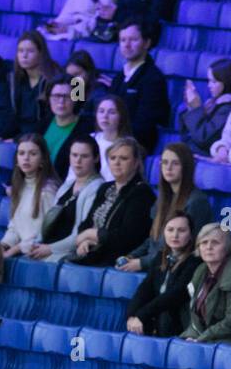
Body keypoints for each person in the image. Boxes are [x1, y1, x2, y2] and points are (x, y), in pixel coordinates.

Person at [118, 142, 213, 271]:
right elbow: (152, 240)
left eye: (175, 163)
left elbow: (186, 249)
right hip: (156, 265)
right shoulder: (162, 199)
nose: (168, 168)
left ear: (186, 167)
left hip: (175, 270)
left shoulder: (197, 201)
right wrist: (132, 256)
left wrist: (142, 263)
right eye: (164, 162)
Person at [70, 137, 154, 268]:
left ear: (136, 162)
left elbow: (127, 237)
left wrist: (90, 234)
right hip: (93, 253)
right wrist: (84, 241)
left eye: (124, 158)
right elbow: (85, 224)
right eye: (113, 158)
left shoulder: (142, 193)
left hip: (117, 259)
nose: (117, 163)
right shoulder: (105, 188)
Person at [124, 213, 201, 337]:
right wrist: (131, 315)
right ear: (164, 233)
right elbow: (145, 289)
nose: (175, 235)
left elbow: (177, 294)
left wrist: (142, 315)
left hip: (181, 328)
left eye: (181, 230)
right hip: (159, 322)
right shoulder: (160, 257)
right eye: (170, 230)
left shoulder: (195, 261)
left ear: (191, 234)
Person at [32, 135, 102, 263]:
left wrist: (50, 248)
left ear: (96, 158)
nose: (78, 161)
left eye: (84, 156)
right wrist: (37, 244)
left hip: (66, 253)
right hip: (48, 247)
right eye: (74, 155)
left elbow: (81, 233)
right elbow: (49, 222)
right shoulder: (67, 184)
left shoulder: (97, 187)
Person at [105, 18, 169, 154]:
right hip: (111, 141)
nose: (127, 45)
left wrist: (114, 137)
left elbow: (144, 125)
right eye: (122, 40)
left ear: (147, 43)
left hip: (133, 147)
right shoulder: (119, 77)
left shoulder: (154, 79)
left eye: (133, 40)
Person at [1, 135, 58, 259]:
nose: (26, 158)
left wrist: (14, 250)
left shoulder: (48, 191)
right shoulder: (19, 187)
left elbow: (45, 234)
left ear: (43, 159)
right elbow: (14, 228)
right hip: (24, 254)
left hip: (41, 258)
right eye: (21, 153)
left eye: (33, 154)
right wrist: (3, 245)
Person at [177, 59, 231, 155]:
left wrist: (195, 108)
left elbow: (203, 138)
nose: (209, 85)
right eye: (209, 81)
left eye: (214, 82)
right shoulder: (211, 103)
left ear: (226, 82)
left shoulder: (228, 107)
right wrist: (189, 106)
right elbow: (185, 135)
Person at [10, 30, 58, 137]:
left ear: (41, 53)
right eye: (20, 51)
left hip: (41, 136)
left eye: (30, 51)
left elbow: (50, 120)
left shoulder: (53, 79)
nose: (24, 56)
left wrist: (19, 138)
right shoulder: (14, 79)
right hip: (19, 135)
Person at [43, 77, 85, 180]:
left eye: (67, 96)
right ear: (49, 98)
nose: (61, 101)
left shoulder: (85, 129)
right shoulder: (43, 123)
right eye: (56, 96)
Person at [89, 94, 130, 181]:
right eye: (101, 111)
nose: (105, 116)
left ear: (121, 117)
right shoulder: (90, 139)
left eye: (112, 112)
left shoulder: (126, 147)